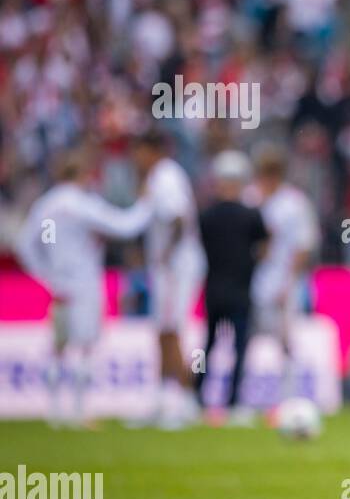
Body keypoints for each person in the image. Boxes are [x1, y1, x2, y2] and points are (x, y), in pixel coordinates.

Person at [15, 148, 152, 428]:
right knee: (85, 347)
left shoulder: (47, 204)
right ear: (82, 174)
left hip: (60, 288)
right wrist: (147, 203)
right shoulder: (82, 204)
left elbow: (24, 245)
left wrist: (46, 274)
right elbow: (124, 226)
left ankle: (54, 413)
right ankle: (79, 411)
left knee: (58, 347)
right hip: (85, 284)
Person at [132, 130, 208, 430]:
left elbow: (178, 219)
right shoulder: (160, 177)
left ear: (152, 150)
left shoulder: (165, 177)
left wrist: (166, 254)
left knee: (171, 330)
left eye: (139, 151)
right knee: (163, 331)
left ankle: (186, 402)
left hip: (176, 267)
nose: (135, 159)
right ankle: (163, 399)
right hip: (170, 267)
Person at [196, 150, 269, 425]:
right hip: (240, 288)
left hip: (214, 287)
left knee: (210, 344)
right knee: (238, 346)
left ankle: (199, 397)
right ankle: (233, 401)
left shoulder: (207, 215)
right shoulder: (251, 215)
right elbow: (264, 248)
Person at [248, 145, 320, 410]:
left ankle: (290, 397)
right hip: (254, 281)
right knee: (247, 339)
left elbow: (303, 247)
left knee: (285, 341)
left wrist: (289, 283)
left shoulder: (294, 204)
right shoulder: (252, 199)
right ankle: (246, 397)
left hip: (282, 283)